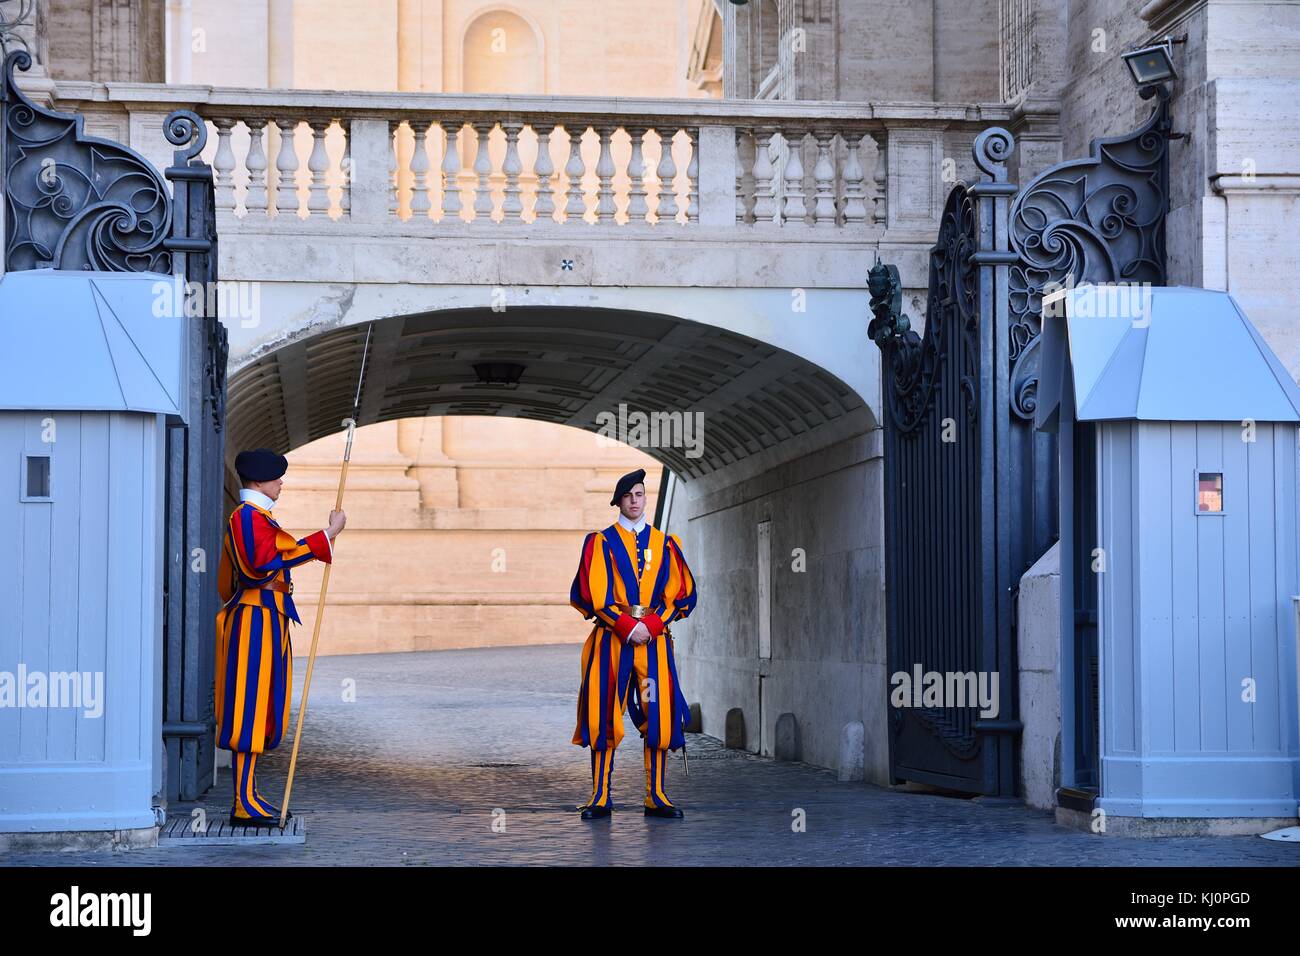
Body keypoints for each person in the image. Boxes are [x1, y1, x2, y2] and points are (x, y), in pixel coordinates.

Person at [214, 447, 346, 826]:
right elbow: (259, 566)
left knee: (262, 705)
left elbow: (273, 557)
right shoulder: (247, 518)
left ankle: (248, 793)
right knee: (248, 709)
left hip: (268, 617)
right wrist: (326, 536)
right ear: (258, 481)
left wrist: (322, 540)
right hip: (254, 618)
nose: (280, 483)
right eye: (276, 478)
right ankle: (242, 802)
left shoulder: (259, 519)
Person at [569, 468, 698, 820]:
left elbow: (680, 595)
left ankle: (656, 794)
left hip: (653, 644)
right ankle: (599, 795)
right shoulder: (602, 542)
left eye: (639, 495)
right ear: (619, 501)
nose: (634, 501)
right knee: (603, 713)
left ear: (645, 498)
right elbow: (595, 595)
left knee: (657, 714)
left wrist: (652, 625)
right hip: (611, 641)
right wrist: (628, 627)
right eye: (628, 496)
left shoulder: (666, 543)